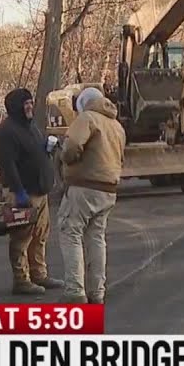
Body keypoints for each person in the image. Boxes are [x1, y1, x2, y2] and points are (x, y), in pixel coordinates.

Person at [57, 87, 126, 305]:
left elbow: (73, 146)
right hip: (108, 188)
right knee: (96, 237)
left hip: (84, 186)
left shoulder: (87, 118)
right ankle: (97, 292)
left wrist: (64, 156)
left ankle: (75, 291)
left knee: (71, 232)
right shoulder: (116, 125)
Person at [0, 88, 62, 295]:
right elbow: (8, 165)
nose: (30, 107)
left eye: (31, 103)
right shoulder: (5, 132)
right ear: (16, 107)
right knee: (22, 237)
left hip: (39, 191)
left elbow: (35, 151)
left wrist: (47, 148)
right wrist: (18, 192)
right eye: (26, 104)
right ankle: (21, 280)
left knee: (40, 235)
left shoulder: (30, 126)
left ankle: (38, 274)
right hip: (22, 193)